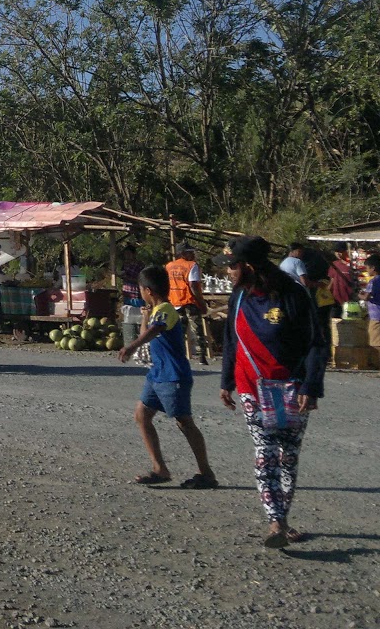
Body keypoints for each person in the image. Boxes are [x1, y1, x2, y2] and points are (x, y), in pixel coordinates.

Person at [219, 235, 327, 549]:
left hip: (291, 388)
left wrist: (311, 385)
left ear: (249, 266)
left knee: (287, 456)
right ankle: (275, 521)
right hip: (251, 387)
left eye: (233, 266)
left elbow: (315, 343)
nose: (229, 272)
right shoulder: (237, 297)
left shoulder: (293, 294)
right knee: (265, 454)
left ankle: (282, 517)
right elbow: (231, 341)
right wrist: (226, 382)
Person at [118, 264, 218, 489]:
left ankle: (206, 472)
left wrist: (131, 346)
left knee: (185, 423)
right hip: (157, 374)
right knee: (142, 415)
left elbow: (155, 330)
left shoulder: (166, 310)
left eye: (141, 289)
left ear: (148, 290)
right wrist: (145, 315)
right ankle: (159, 468)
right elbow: (148, 330)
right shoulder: (155, 310)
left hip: (173, 376)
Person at [164, 242, 209, 364]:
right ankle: (201, 357)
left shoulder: (169, 266)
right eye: (190, 252)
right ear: (183, 253)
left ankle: (175, 354)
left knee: (179, 331)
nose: (193, 254)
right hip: (189, 301)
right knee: (197, 330)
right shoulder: (192, 266)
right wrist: (202, 302)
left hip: (175, 301)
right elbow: (193, 285)